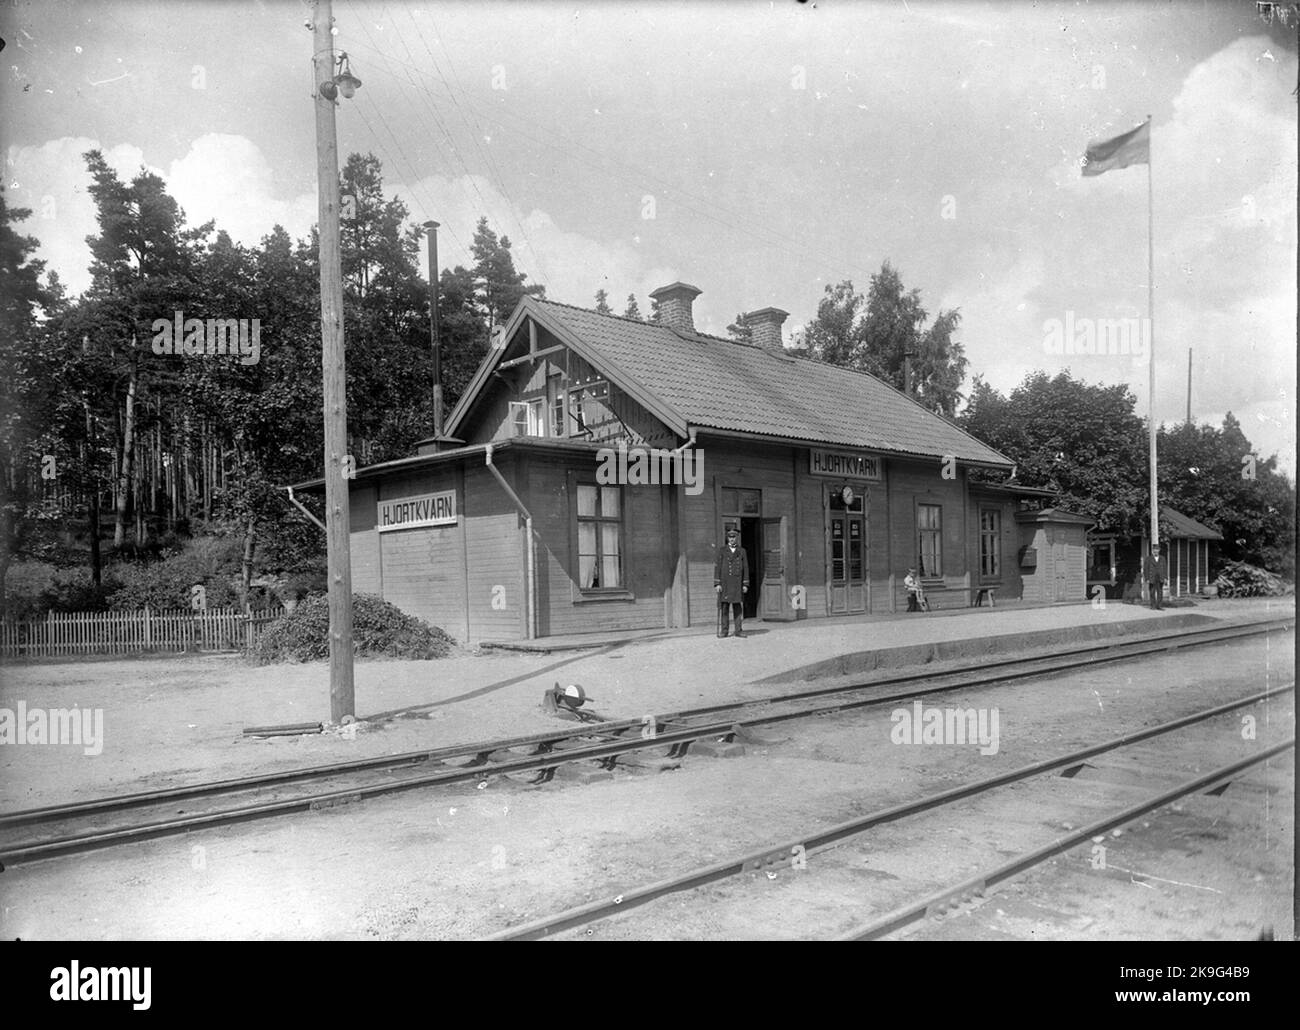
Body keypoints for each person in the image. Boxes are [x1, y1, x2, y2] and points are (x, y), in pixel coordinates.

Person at [714, 527, 749, 637]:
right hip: (725, 583)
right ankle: (724, 631)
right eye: (730, 537)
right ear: (727, 538)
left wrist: (745, 584)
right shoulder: (722, 550)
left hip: (737, 583)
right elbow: (718, 567)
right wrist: (717, 583)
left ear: (737, 538)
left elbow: (746, 567)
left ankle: (738, 630)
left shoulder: (742, 551)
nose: (732, 539)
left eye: (734, 537)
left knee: (737, 607)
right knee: (724, 607)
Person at [1145, 544, 1167, 610]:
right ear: (1152, 551)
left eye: (1157, 550)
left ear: (1159, 550)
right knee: (1152, 592)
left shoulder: (1162, 558)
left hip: (1160, 577)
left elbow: (1165, 568)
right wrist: (1147, 578)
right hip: (1152, 577)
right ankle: (1153, 606)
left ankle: (1159, 606)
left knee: (1160, 592)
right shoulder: (1148, 559)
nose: (1156, 551)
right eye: (1154, 550)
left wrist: (1165, 578)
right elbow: (1146, 569)